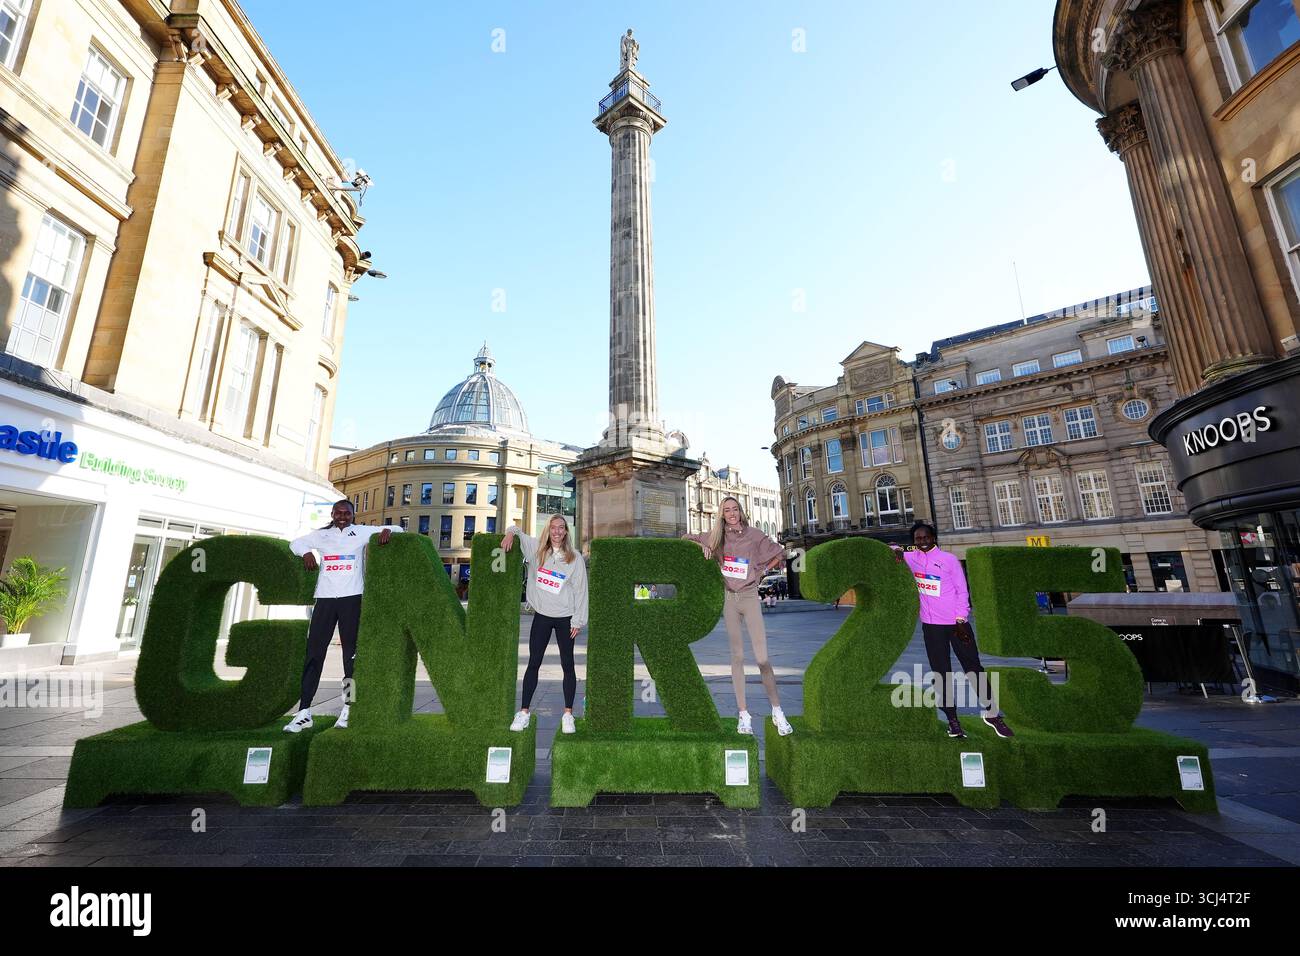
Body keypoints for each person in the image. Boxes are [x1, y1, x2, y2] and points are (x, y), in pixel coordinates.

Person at [284, 500, 401, 733]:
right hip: (325, 600)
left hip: (352, 600)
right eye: (338, 513)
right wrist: (306, 552)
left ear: (352, 515)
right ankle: (304, 712)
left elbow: (399, 529)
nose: (342, 516)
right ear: (332, 513)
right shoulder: (321, 535)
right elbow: (295, 543)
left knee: (352, 658)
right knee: (314, 655)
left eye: (346, 513)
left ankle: (349, 707)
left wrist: (388, 530)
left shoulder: (361, 532)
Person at [891, 521, 1013, 740]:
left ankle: (992, 715)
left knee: (973, 668)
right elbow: (888, 549)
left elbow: (962, 590)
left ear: (933, 537)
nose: (922, 541)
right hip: (932, 627)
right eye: (918, 539)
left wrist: (960, 619)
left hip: (957, 624)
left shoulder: (949, 560)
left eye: (926, 537)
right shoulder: (912, 559)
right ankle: (952, 721)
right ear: (914, 542)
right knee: (941, 674)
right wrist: (898, 551)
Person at [684, 498, 792, 737]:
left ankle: (777, 710)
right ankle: (743, 714)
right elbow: (686, 537)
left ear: (740, 512)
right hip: (729, 600)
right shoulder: (717, 537)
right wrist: (701, 546)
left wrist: (762, 570)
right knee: (738, 657)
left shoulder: (754, 534)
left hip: (750, 597)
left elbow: (780, 553)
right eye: (727, 510)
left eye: (734, 509)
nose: (731, 514)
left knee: (762, 658)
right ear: (722, 514)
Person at [503, 514, 588, 735]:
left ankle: (568, 714)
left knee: (568, 666)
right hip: (542, 616)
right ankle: (523, 712)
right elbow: (516, 529)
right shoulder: (536, 549)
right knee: (534, 663)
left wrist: (578, 620)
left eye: (561, 528)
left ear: (566, 531)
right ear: (547, 531)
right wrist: (510, 534)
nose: (557, 531)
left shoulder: (575, 557)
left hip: (566, 619)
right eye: (553, 528)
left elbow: (581, 590)